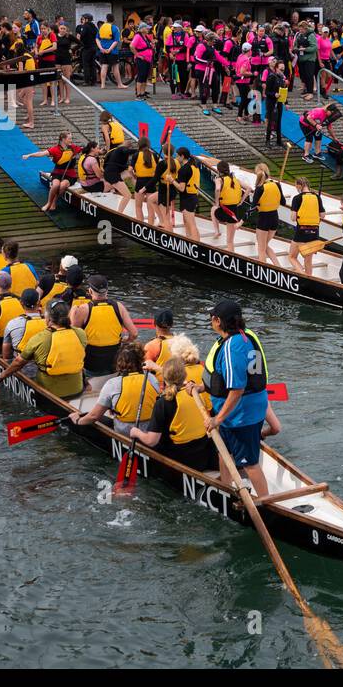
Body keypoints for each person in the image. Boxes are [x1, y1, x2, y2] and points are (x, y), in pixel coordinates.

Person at [202, 299, 270, 498]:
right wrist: (201, 387)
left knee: (249, 464)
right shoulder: (246, 335)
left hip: (240, 415)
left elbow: (237, 389)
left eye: (212, 318)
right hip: (240, 411)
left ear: (217, 320)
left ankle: (266, 502)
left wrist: (218, 419)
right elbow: (224, 378)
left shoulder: (233, 346)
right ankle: (226, 488)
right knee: (224, 452)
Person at [127, 356, 218, 470]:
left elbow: (151, 441)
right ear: (185, 375)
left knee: (142, 437)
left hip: (179, 456)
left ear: (164, 377)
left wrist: (136, 432)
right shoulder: (195, 394)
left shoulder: (163, 403)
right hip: (201, 453)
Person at [1, 300, 88, 399]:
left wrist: (4, 374)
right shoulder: (81, 333)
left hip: (50, 393)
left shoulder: (39, 338)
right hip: (77, 389)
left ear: (48, 318)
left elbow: (18, 362)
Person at [69, 342, 158, 437]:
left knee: (91, 419)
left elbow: (94, 416)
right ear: (141, 360)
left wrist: (78, 420)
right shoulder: (152, 378)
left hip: (125, 432)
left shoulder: (112, 384)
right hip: (150, 430)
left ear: (119, 362)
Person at [69, 273, 139, 375]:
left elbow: (72, 337)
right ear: (107, 291)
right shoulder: (118, 307)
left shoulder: (83, 310)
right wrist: (125, 341)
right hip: (114, 363)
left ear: (90, 291)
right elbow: (134, 334)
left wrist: (72, 313)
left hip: (91, 365)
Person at [23, 132, 75, 213]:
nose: (71, 140)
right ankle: (48, 203)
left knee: (62, 186)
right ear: (63, 140)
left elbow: (87, 150)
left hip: (70, 174)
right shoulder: (55, 149)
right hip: (57, 172)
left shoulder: (73, 148)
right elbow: (41, 153)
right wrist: (29, 155)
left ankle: (54, 202)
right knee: (55, 185)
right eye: (69, 138)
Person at [285, 176, 322, 274]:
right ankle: (310, 279)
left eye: (296, 186)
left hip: (301, 233)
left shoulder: (297, 198)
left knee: (292, 257)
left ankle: (303, 274)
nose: (296, 188)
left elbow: (293, 218)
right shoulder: (317, 197)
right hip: (314, 232)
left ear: (299, 185)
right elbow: (322, 215)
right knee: (308, 261)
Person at [2, 287, 45, 365]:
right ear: (39, 302)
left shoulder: (12, 323)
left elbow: (6, 355)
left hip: (21, 368)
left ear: (21, 303)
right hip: (44, 367)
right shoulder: (49, 323)